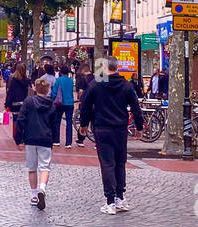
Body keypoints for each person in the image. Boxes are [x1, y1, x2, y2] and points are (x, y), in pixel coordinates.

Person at [78, 57, 143, 214]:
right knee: (120, 162)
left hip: (102, 128)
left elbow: (85, 106)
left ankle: (110, 201)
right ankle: (120, 197)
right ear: (117, 67)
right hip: (120, 129)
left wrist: (83, 124)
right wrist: (139, 127)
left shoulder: (95, 85)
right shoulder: (126, 85)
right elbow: (136, 107)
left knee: (107, 164)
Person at [16, 77, 57, 209]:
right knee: (45, 167)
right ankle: (42, 188)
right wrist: (55, 140)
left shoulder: (29, 102)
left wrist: (19, 138)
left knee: (32, 168)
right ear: (48, 90)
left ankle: (34, 195)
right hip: (45, 139)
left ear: (35, 88)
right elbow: (54, 125)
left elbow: (21, 119)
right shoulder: (51, 104)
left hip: (30, 138)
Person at [52, 61, 76, 148]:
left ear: (61, 72)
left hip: (60, 103)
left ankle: (56, 140)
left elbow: (54, 92)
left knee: (57, 121)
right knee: (69, 123)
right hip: (70, 103)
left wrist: (52, 99)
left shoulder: (58, 80)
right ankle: (68, 143)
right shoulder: (70, 81)